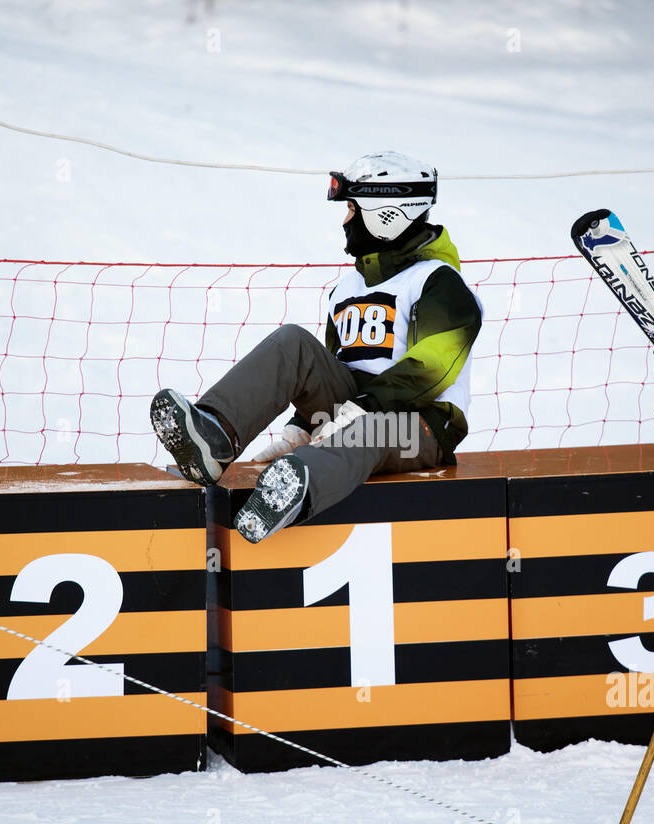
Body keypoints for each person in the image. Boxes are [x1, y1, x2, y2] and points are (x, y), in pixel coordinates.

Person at [151, 150, 482, 542]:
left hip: (422, 426)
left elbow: (432, 366)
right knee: (293, 342)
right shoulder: (346, 288)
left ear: (385, 215)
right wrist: (301, 428)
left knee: (369, 432)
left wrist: (367, 407)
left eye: (351, 210)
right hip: (353, 410)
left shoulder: (439, 283)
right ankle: (213, 439)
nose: (345, 221)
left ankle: (294, 489)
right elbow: (331, 367)